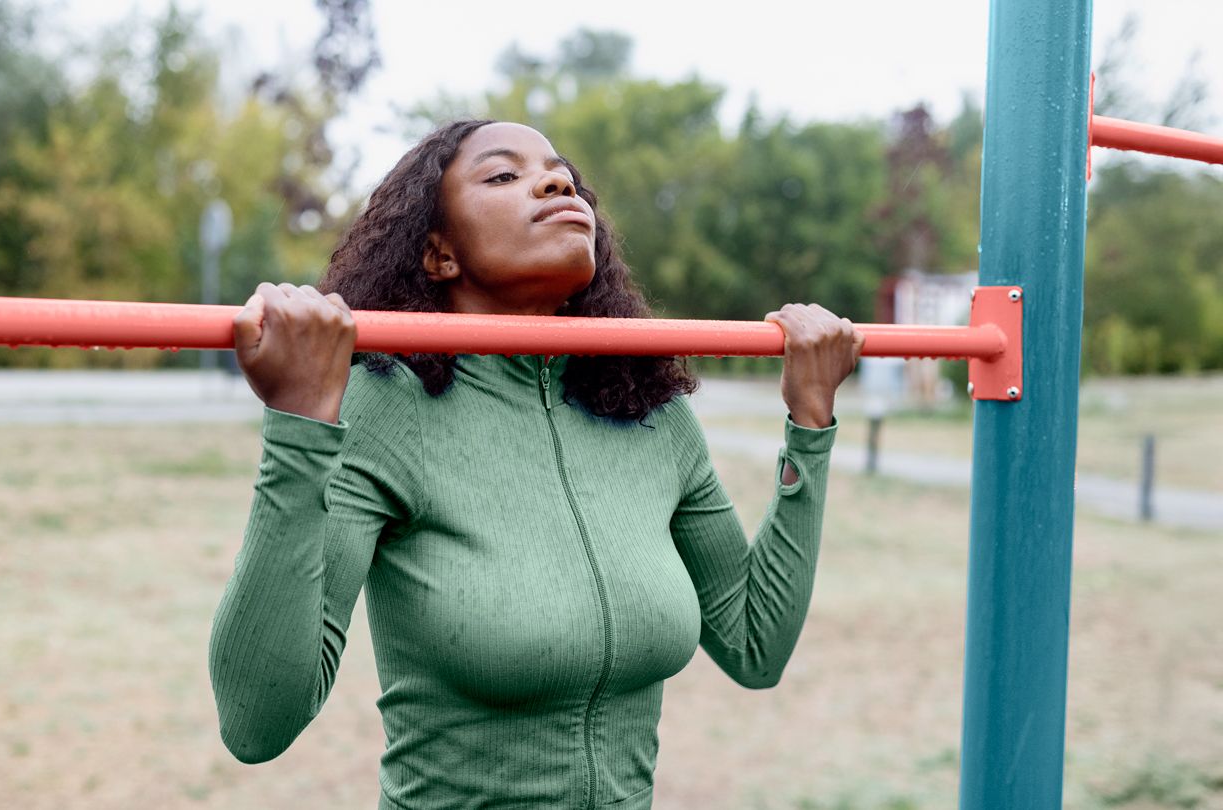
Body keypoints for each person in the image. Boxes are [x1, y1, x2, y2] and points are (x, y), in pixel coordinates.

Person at [209, 120, 863, 809]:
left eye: (562, 175)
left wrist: (811, 423)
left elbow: (754, 645)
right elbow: (257, 723)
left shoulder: (649, 412)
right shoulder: (384, 407)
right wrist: (302, 423)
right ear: (439, 255)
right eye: (502, 175)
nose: (556, 182)